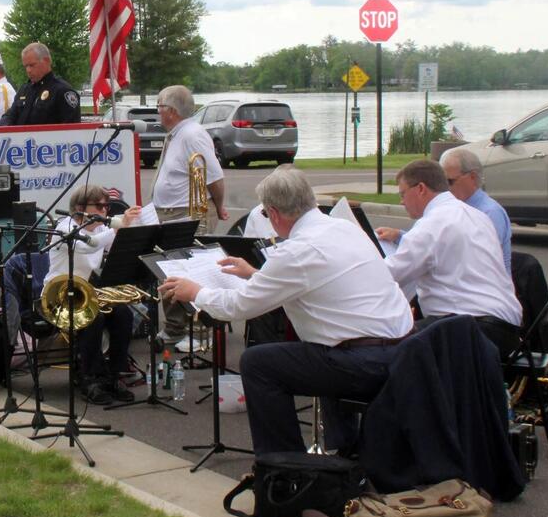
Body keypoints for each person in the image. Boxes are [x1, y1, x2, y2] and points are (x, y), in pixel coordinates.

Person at [160, 168, 414, 455]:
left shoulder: (296, 250)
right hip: (405, 349)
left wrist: (196, 292)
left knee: (258, 363)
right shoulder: (344, 228)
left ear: (274, 214)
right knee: (323, 346)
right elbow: (315, 283)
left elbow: (238, 306)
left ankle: (285, 464)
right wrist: (256, 274)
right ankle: (345, 451)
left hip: (364, 361)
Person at [383, 159, 521, 358]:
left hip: (469, 328)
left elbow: (390, 273)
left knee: (385, 348)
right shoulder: (477, 215)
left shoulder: (432, 223)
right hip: (507, 328)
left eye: (403, 194)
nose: (401, 202)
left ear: (421, 188)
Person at [42, 185, 142, 405]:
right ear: (79, 208)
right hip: (57, 294)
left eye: (106, 206)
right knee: (93, 319)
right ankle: (89, 378)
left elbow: (114, 245)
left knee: (123, 314)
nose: (105, 211)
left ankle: (114, 375)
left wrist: (133, 228)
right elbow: (90, 247)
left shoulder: (98, 230)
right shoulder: (65, 227)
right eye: (99, 206)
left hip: (84, 291)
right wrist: (118, 227)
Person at [151, 85, 229, 352]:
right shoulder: (176, 135)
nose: (158, 113)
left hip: (189, 213)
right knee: (170, 273)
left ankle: (198, 332)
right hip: (172, 213)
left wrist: (218, 207)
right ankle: (175, 328)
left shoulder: (192, 135)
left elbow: (214, 177)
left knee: (193, 272)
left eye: (159, 108)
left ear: (171, 111)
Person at [377, 148, 512, 276]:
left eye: (449, 181)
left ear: (472, 177)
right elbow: (434, 244)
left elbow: (455, 256)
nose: (443, 186)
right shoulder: (460, 213)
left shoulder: (489, 213)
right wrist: (398, 235)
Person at [0, 42, 80, 126]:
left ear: (47, 61)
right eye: (26, 66)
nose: (28, 70)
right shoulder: (24, 90)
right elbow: (10, 116)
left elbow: (72, 130)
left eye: (32, 65)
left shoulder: (62, 91)